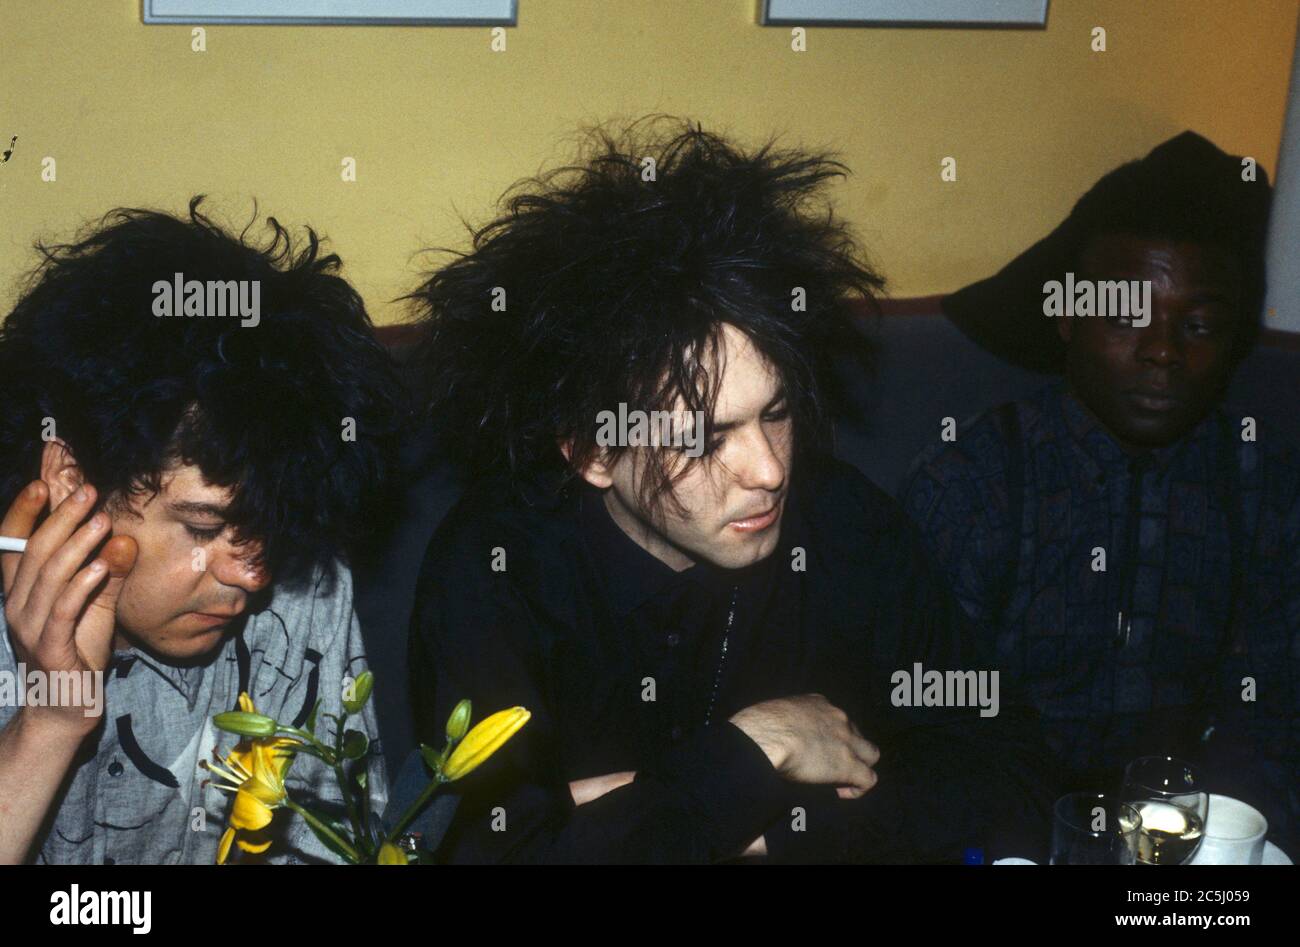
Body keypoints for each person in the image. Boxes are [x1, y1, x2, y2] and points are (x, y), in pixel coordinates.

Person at [406, 118, 1052, 864]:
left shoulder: (844, 521)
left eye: (775, 414)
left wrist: (752, 830)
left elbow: (1006, 758)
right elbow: (494, 854)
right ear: (590, 450)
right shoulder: (493, 569)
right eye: (706, 440)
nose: (771, 470)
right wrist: (759, 748)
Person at [901, 131, 1296, 854]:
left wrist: (1224, 829)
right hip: (1000, 825)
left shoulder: (1262, 485)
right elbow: (927, 707)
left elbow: (1275, 703)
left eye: (1199, 325)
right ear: (1068, 317)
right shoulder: (975, 480)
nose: (1164, 350)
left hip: (1190, 826)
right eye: (1125, 315)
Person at [0, 199, 401, 864]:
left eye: (271, 522)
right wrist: (51, 720)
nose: (253, 574)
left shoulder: (302, 589)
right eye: (205, 526)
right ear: (72, 479)